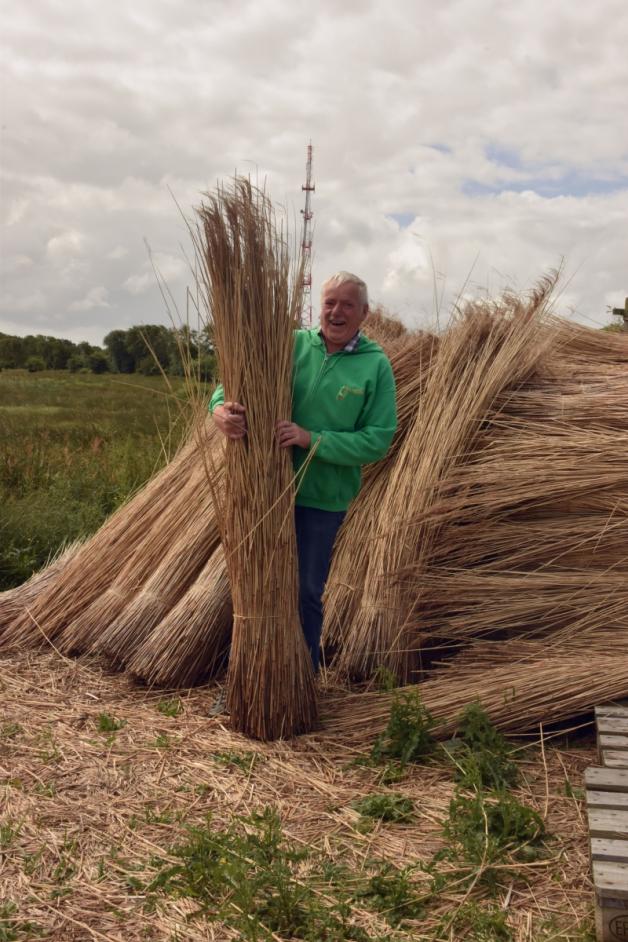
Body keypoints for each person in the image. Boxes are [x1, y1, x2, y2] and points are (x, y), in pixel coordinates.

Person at [210, 271, 397, 673]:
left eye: (348, 304)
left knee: (306, 591)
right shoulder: (291, 344)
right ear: (319, 307)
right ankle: (242, 679)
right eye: (330, 302)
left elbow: (377, 439)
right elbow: (231, 385)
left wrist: (311, 439)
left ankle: (301, 680)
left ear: (364, 312)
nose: (337, 311)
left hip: (322, 497)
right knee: (252, 584)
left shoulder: (375, 366)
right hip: (263, 487)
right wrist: (219, 411)